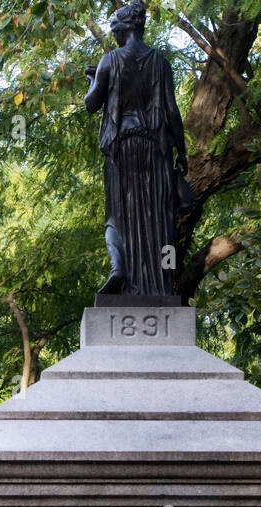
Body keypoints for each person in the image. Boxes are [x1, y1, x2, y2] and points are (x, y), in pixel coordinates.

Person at [84, 0, 189, 297]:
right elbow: (172, 111)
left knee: (117, 215)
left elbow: (91, 104)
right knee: (161, 219)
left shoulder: (110, 60)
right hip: (156, 149)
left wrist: (93, 80)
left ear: (123, 29)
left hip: (122, 147)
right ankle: (164, 283)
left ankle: (120, 270)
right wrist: (182, 153)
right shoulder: (160, 62)